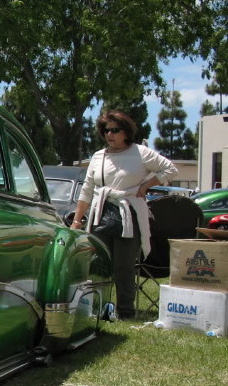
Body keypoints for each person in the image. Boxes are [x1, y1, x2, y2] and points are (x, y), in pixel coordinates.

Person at [71, 110, 178, 320]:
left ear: (126, 132)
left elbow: (170, 169)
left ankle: (125, 311)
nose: (109, 134)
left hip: (129, 214)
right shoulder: (98, 156)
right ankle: (96, 308)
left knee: (124, 266)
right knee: (97, 264)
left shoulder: (141, 153)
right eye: (105, 130)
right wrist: (77, 220)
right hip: (100, 214)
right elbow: (87, 190)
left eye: (114, 130)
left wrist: (146, 185)